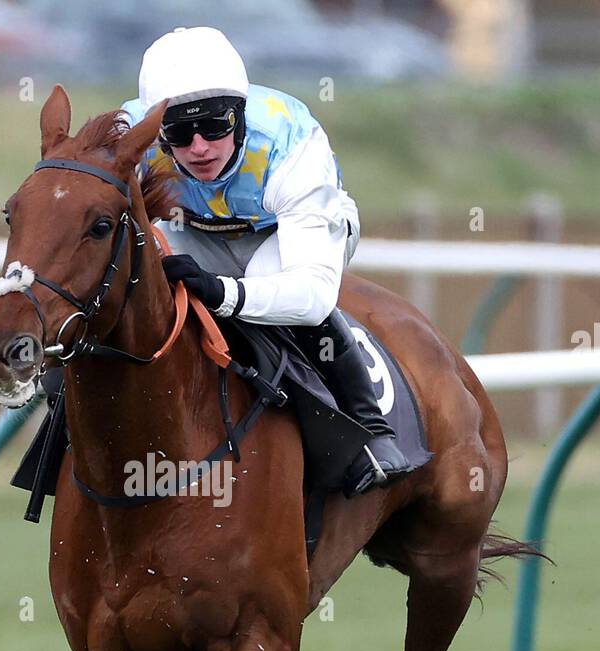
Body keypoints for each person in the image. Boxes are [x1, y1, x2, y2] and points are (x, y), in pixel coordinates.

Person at [120, 26, 406, 496]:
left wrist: (222, 292)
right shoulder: (129, 135)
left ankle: (369, 428)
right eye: (178, 131)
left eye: (215, 125)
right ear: (156, 128)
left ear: (241, 112)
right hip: (193, 227)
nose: (198, 147)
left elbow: (311, 296)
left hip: (284, 235)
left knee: (268, 285)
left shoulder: (290, 142)